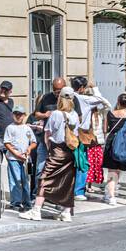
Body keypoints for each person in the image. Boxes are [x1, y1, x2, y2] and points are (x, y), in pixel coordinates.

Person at [20, 88, 79, 221]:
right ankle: (66, 212)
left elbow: (48, 133)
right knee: (67, 181)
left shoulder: (56, 114)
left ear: (60, 99)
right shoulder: (74, 114)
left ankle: (36, 210)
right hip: (69, 152)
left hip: (56, 150)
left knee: (44, 179)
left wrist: (49, 148)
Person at [70, 76, 108, 199]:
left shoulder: (67, 97)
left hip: (67, 134)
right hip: (80, 134)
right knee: (82, 163)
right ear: (81, 88)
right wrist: (94, 87)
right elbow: (101, 99)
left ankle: (70, 189)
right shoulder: (84, 99)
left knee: (70, 163)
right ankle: (79, 191)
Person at [32, 76, 66, 183]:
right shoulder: (46, 98)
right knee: (40, 169)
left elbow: (78, 117)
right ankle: (37, 194)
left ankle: (56, 195)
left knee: (60, 171)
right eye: (55, 91)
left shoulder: (69, 98)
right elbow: (36, 114)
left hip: (62, 142)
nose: (57, 94)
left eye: (59, 91)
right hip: (45, 140)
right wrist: (44, 114)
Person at [101, 93, 126, 205]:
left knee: (111, 170)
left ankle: (111, 196)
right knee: (118, 169)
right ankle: (113, 190)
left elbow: (105, 129)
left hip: (112, 141)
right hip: (123, 142)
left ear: (118, 102)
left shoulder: (109, 114)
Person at [3, 106, 37, 210]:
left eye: (20, 114)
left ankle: (27, 201)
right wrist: (15, 153)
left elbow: (34, 142)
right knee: (15, 180)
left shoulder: (27, 128)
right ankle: (16, 202)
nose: (18, 116)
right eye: (16, 114)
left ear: (24, 115)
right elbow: (6, 142)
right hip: (13, 158)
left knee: (26, 180)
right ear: (13, 115)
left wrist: (29, 149)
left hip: (25, 159)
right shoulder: (10, 127)